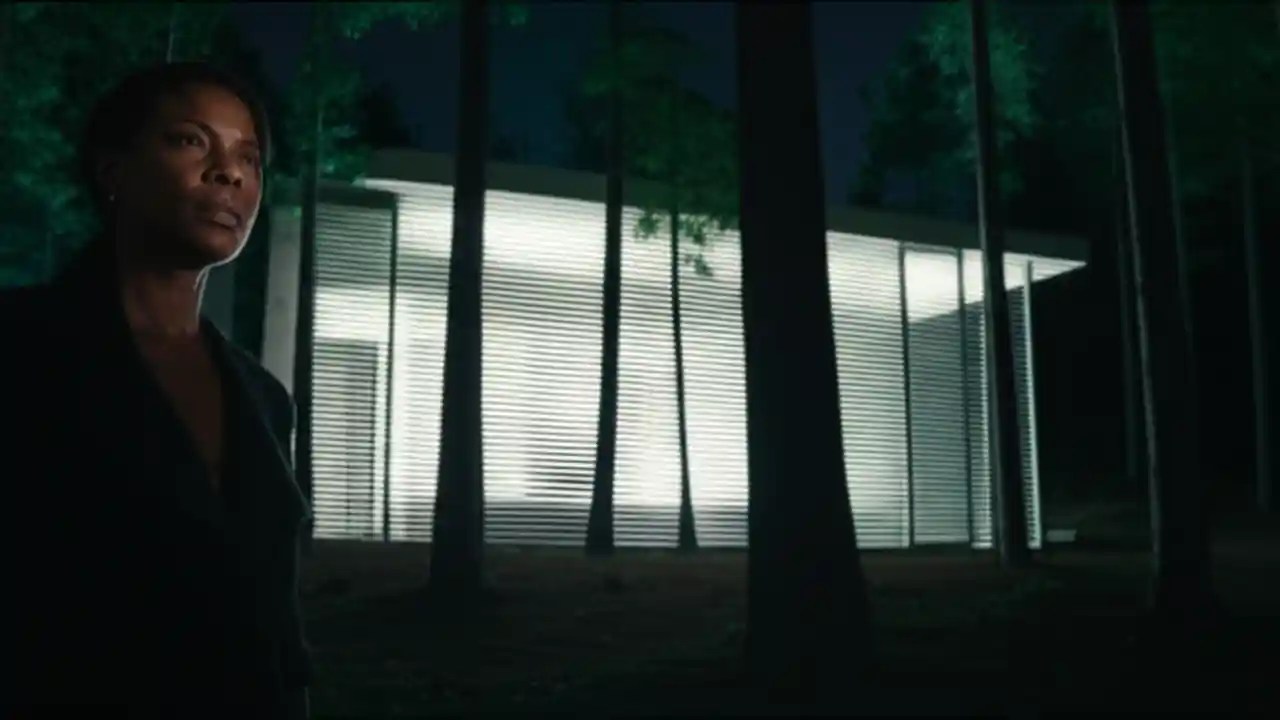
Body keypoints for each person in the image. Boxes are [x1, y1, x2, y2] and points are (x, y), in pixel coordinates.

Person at [1, 62, 312, 718]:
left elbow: (280, 637)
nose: (228, 173)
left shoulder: (264, 399)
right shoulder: (22, 347)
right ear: (114, 170)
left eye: (249, 158)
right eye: (191, 141)